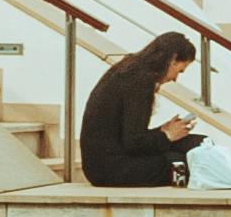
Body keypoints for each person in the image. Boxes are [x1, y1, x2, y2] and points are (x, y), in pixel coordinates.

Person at [78, 33, 202, 187]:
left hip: (104, 163)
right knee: (192, 160)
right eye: (179, 71)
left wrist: (163, 131)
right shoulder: (140, 81)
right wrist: (167, 136)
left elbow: (129, 136)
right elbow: (134, 142)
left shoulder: (131, 71)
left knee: (197, 144)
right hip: (110, 169)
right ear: (172, 59)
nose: (175, 79)